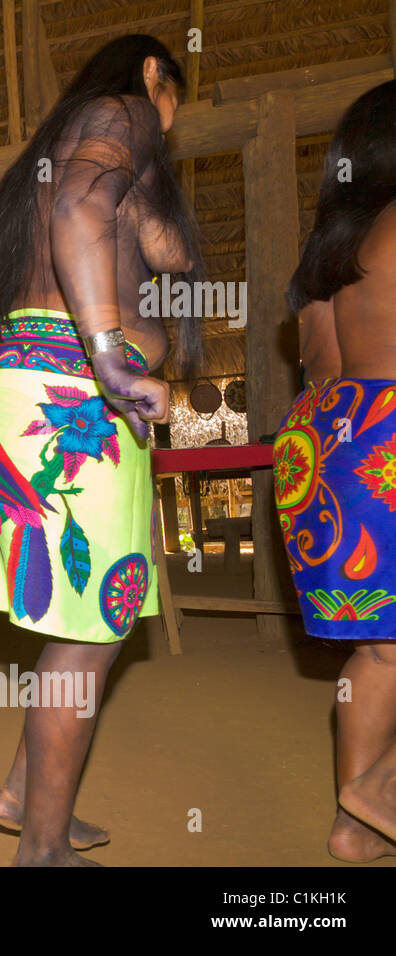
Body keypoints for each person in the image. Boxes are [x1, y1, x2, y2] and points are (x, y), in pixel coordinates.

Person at [0, 35, 204, 865]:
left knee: (85, 617)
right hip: (74, 386)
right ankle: (43, 849)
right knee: (89, 631)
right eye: (175, 101)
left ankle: (27, 797)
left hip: (21, 379)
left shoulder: (38, 167)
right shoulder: (123, 111)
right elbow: (83, 212)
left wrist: (0, 389)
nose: (169, 123)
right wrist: (105, 353)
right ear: (156, 77)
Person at [274, 80, 396, 863]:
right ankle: (384, 787)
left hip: (321, 446)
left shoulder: (323, 258)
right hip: (388, 435)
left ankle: (356, 824)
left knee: (382, 652)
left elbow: (319, 366)